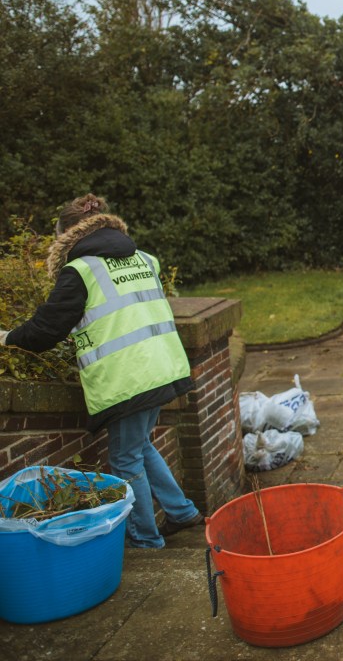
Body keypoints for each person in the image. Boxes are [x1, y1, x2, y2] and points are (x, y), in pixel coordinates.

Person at [0, 194, 204, 549]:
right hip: (162, 367)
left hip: (129, 377)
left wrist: (7, 339)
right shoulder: (143, 258)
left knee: (125, 458)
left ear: (66, 235)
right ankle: (182, 512)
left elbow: (47, 330)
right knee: (140, 445)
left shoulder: (80, 270)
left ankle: (145, 540)